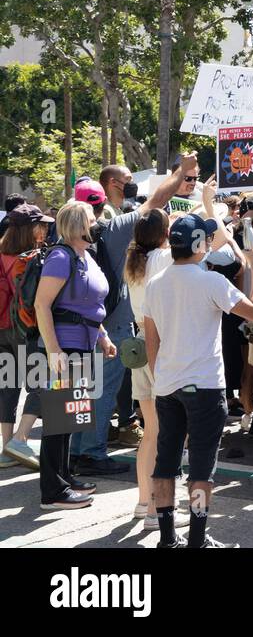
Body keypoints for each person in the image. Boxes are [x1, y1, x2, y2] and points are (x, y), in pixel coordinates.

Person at [141, 188, 253, 548]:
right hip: (204, 387)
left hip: (167, 385)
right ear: (198, 244)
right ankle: (197, 539)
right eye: (208, 238)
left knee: (165, 464)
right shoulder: (210, 280)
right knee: (201, 468)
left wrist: (159, 375)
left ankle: (168, 538)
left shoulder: (155, 283)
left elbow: (152, 341)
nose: (211, 242)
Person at [70, 157, 197, 479]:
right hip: (106, 325)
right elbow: (156, 202)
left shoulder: (62, 242)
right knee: (100, 390)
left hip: (67, 328)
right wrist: (182, 171)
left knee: (75, 390)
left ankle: (67, 452)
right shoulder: (110, 231)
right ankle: (90, 452)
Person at [33, 201, 114, 510]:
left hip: (81, 346)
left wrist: (103, 336)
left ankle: (64, 478)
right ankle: (52, 492)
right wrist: (54, 352)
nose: (98, 223)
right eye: (93, 220)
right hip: (63, 348)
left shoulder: (86, 257)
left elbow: (90, 304)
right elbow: (42, 305)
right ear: (79, 225)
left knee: (69, 418)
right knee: (58, 421)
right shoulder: (60, 257)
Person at [122, 209, 185, 531]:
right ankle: (157, 511)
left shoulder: (134, 261)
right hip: (160, 346)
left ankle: (143, 502)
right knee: (167, 433)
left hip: (138, 346)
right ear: (164, 231)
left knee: (151, 432)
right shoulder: (164, 257)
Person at [1, 204, 53, 471]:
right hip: (27, 329)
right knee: (41, 382)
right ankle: (20, 439)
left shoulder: (1, 254)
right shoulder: (33, 257)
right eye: (41, 224)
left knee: (7, 386)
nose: (44, 229)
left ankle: (7, 446)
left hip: (2, 330)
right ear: (29, 228)